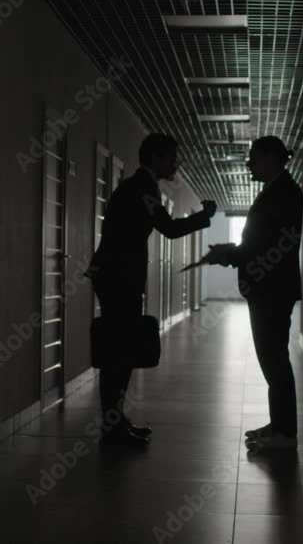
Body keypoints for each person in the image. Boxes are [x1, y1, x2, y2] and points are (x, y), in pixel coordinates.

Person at [87, 133, 217, 446]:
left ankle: (115, 422)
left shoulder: (139, 187)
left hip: (115, 275)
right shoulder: (142, 188)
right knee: (120, 350)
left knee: (121, 347)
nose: (174, 164)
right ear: (156, 158)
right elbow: (170, 229)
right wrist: (204, 216)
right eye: (171, 157)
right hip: (118, 277)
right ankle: (112, 427)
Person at [207, 136, 303, 451]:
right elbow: (261, 243)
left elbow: (269, 247)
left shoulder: (286, 193)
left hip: (272, 289)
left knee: (274, 358)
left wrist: (231, 254)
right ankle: (279, 424)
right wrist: (232, 252)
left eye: (254, 158)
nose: (249, 163)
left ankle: (285, 435)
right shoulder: (276, 191)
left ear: (272, 158)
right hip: (267, 288)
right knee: (272, 358)